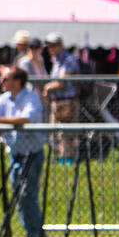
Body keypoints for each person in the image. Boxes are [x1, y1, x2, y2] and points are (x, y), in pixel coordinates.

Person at [0, 65, 48, 237]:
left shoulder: (31, 97)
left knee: (27, 194)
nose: (1, 82)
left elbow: (26, 119)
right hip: (15, 154)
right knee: (18, 196)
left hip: (32, 153)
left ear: (17, 82)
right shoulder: (5, 99)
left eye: (5, 79)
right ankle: (33, 234)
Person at [43, 32, 80, 162]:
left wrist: (47, 87)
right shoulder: (56, 61)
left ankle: (68, 160)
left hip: (67, 102)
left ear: (61, 45)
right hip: (56, 101)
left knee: (66, 134)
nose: (51, 48)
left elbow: (61, 83)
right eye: (49, 46)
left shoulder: (68, 60)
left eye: (54, 45)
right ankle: (61, 158)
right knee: (56, 133)